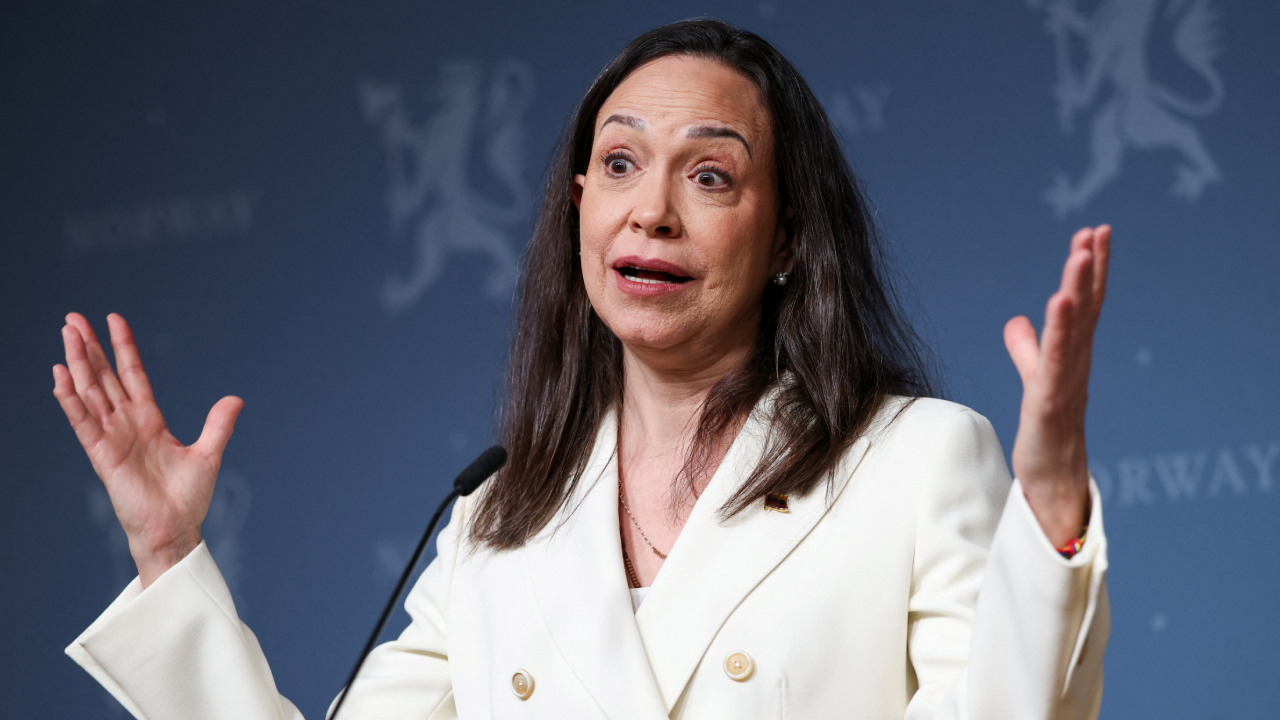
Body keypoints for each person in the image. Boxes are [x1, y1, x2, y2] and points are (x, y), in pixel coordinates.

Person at [55, 19, 1110, 720]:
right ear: (577, 210)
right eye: (617, 164)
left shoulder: (915, 461)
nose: (650, 209)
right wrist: (166, 557)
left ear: (788, 237)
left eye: (708, 173)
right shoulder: (499, 518)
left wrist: (1050, 503)